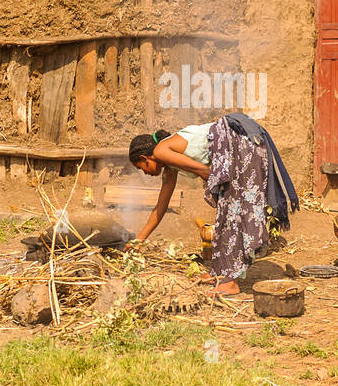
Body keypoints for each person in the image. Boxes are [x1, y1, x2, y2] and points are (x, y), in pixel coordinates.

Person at [128, 114, 298, 294]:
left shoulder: (161, 150)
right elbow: (160, 207)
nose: (144, 173)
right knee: (226, 215)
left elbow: (204, 172)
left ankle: (229, 283)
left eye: (141, 168)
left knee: (232, 214)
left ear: (146, 157)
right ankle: (220, 273)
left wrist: (216, 178)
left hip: (240, 144)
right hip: (236, 147)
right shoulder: (169, 168)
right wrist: (139, 240)